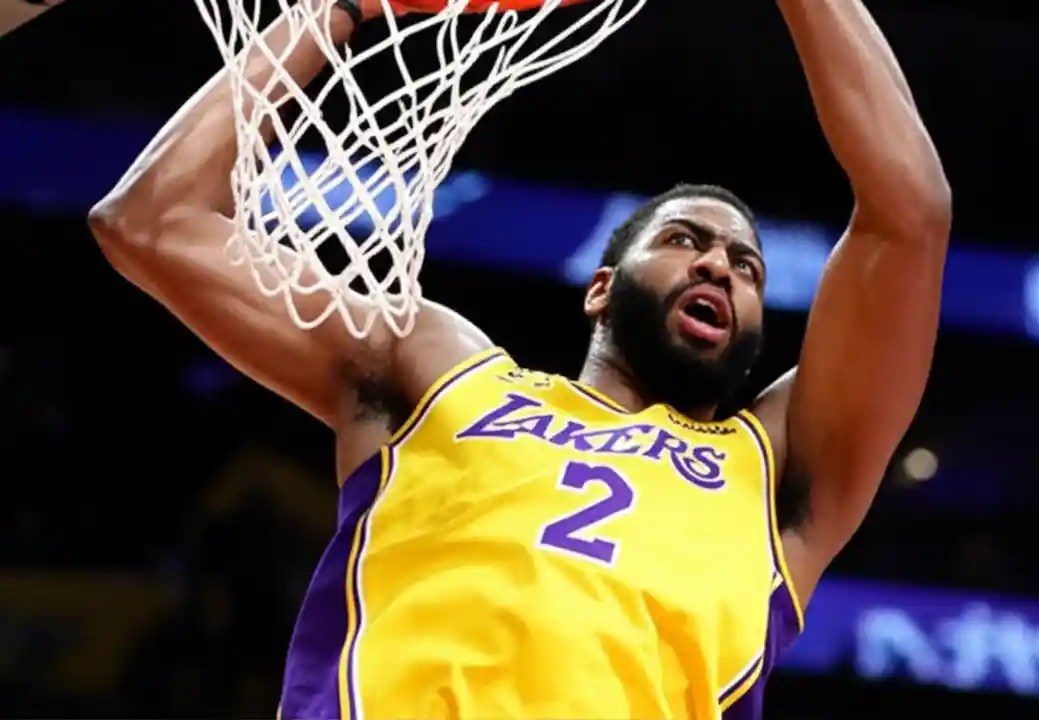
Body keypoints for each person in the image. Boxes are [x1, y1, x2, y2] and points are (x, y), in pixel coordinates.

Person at [88, 0, 951, 717]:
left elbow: (909, 215)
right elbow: (149, 225)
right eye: (685, 239)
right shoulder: (443, 371)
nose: (719, 263)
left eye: (746, 265)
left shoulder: (779, 467)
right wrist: (334, 12)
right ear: (600, 290)